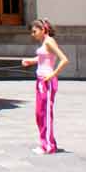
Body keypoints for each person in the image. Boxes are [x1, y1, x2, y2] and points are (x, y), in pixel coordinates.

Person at [21, 17, 69, 155]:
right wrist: (30, 61)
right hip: (40, 80)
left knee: (46, 114)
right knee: (39, 113)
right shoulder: (44, 43)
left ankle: (48, 146)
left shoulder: (49, 42)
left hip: (47, 81)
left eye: (34, 31)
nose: (33, 34)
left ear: (43, 30)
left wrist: (53, 74)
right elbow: (43, 58)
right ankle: (45, 142)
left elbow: (64, 59)